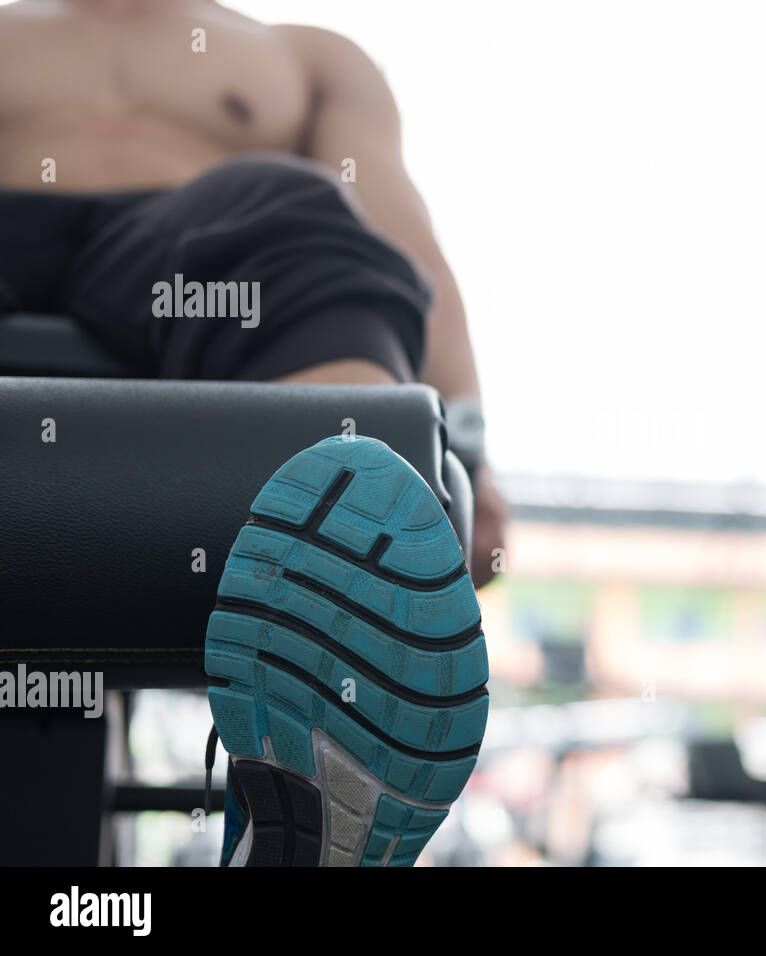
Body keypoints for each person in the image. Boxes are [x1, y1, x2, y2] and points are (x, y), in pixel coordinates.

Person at [0, 0, 504, 866]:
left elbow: (405, 246)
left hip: (211, 245)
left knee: (301, 211)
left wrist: (465, 446)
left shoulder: (305, 60)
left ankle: (339, 672)